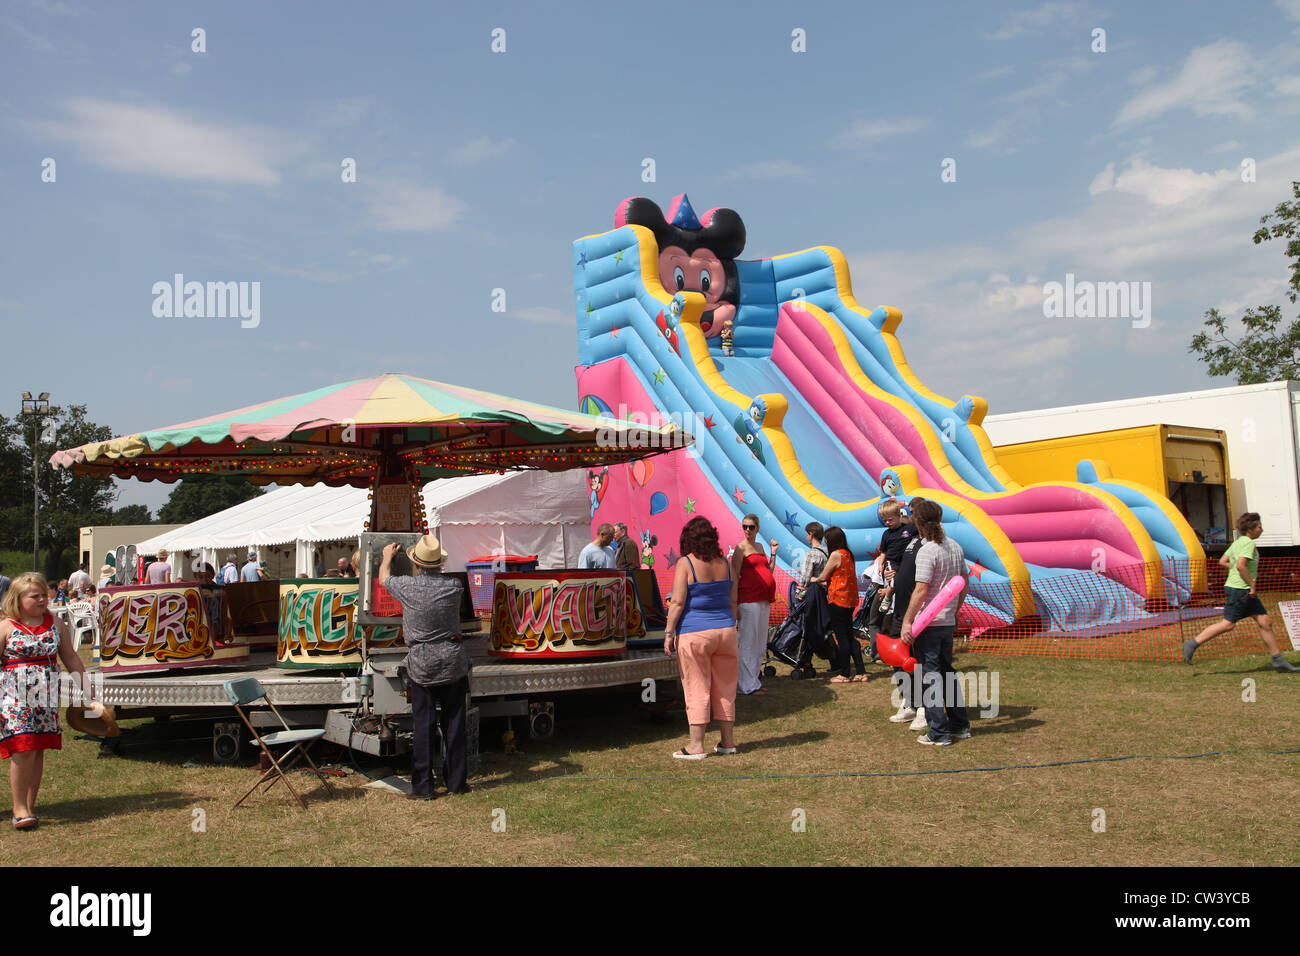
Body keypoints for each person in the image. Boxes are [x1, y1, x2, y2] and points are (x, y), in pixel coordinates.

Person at [1, 572, 95, 829]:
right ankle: (19, 808)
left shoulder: (55, 623)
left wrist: (87, 688)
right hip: (14, 696)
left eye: (44, 594)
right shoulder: (7, 626)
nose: (43, 599)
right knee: (23, 746)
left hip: (45, 696)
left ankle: (29, 806)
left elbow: (71, 657)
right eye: (35, 596)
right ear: (18, 599)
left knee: (38, 747)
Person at [379, 536, 471, 798]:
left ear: (416, 563)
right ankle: (456, 783)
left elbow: (384, 578)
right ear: (440, 563)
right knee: (454, 724)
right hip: (452, 658)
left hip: (421, 660)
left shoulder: (408, 587)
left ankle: (423, 787)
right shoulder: (454, 586)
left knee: (423, 725)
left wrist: (386, 556)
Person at [1183, 513, 1299, 672]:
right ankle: (1192, 643)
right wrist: (1252, 584)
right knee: (1228, 624)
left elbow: (1223, 561)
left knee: (1265, 622)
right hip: (1241, 590)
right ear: (1251, 529)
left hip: (1239, 588)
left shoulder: (1238, 543)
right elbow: (1240, 566)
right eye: (1259, 526)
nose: (1261, 529)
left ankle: (1278, 660)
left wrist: (1239, 574)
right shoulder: (1248, 544)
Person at [664, 516, 739, 758]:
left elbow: (677, 602)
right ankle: (727, 742)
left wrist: (668, 633)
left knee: (697, 686)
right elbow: (734, 601)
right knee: (726, 687)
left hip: (694, 632)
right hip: (726, 630)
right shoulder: (726, 564)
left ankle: (696, 745)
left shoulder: (686, 563)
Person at [900, 499, 971, 746]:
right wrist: (957, 609)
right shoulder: (955, 547)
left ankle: (938, 732)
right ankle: (960, 724)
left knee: (930, 676)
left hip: (928, 625)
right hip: (946, 622)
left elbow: (921, 590)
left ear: (918, 523)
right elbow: (964, 581)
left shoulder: (927, 550)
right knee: (947, 673)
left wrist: (908, 621)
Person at [887, 500, 928, 725]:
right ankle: (910, 701)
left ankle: (923, 706)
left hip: (916, 614)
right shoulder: (913, 541)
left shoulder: (931, 544)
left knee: (918, 660)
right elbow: (907, 568)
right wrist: (895, 577)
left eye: (912, 514)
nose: (909, 517)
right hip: (900, 610)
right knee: (898, 658)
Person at [731, 514, 778, 696]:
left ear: (757, 528)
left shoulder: (759, 547)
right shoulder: (740, 548)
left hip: (763, 599)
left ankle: (754, 681)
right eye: (744, 527)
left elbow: (769, 570)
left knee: (759, 642)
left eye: (751, 527)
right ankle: (746, 685)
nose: (747, 530)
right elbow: (734, 576)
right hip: (747, 599)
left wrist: (773, 553)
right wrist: (734, 604)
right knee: (748, 642)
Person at [815, 526, 866, 683]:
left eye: (827, 540)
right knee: (850, 636)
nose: (826, 542)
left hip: (838, 599)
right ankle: (860, 671)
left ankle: (844, 673)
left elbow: (823, 576)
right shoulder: (848, 554)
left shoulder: (836, 555)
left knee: (842, 638)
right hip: (849, 600)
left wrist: (814, 579)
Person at [795, 522, 829, 600]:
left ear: (811, 534)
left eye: (807, 534)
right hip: (826, 594)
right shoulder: (828, 552)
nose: (807, 537)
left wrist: (799, 593)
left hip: (813, 594)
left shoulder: (811, 554)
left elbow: (805, 578)